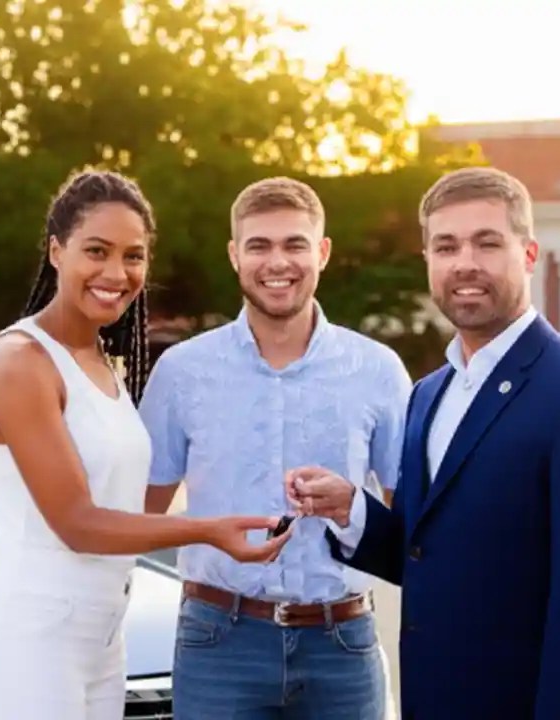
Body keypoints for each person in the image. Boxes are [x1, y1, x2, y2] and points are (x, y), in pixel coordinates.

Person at [288, 166, 560, 719]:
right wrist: (353, 511)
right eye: (446, 246)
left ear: (528, 254)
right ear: (429, 261)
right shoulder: (428, 394)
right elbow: (430, 553)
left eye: (488, 243)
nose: (465, 263)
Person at [0, 170, 293, 720]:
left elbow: (127, 504)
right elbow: (78, 523)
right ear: (56, 251)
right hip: (32, 634)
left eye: (133, 256)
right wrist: (207, 528)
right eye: (97, 251)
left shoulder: (102, 363)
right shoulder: (21, 361)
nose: (117, 273)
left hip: (102, 634)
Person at [139, 176, 413, 719]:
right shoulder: (182, 372)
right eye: (259, 245)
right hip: (219, 642)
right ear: (234, 255)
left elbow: (414, 525)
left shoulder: (378, 371)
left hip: (343, 643)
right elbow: (141, 512)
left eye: (294, 244)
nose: (277, 262)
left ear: (323, 252)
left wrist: (350, 506)